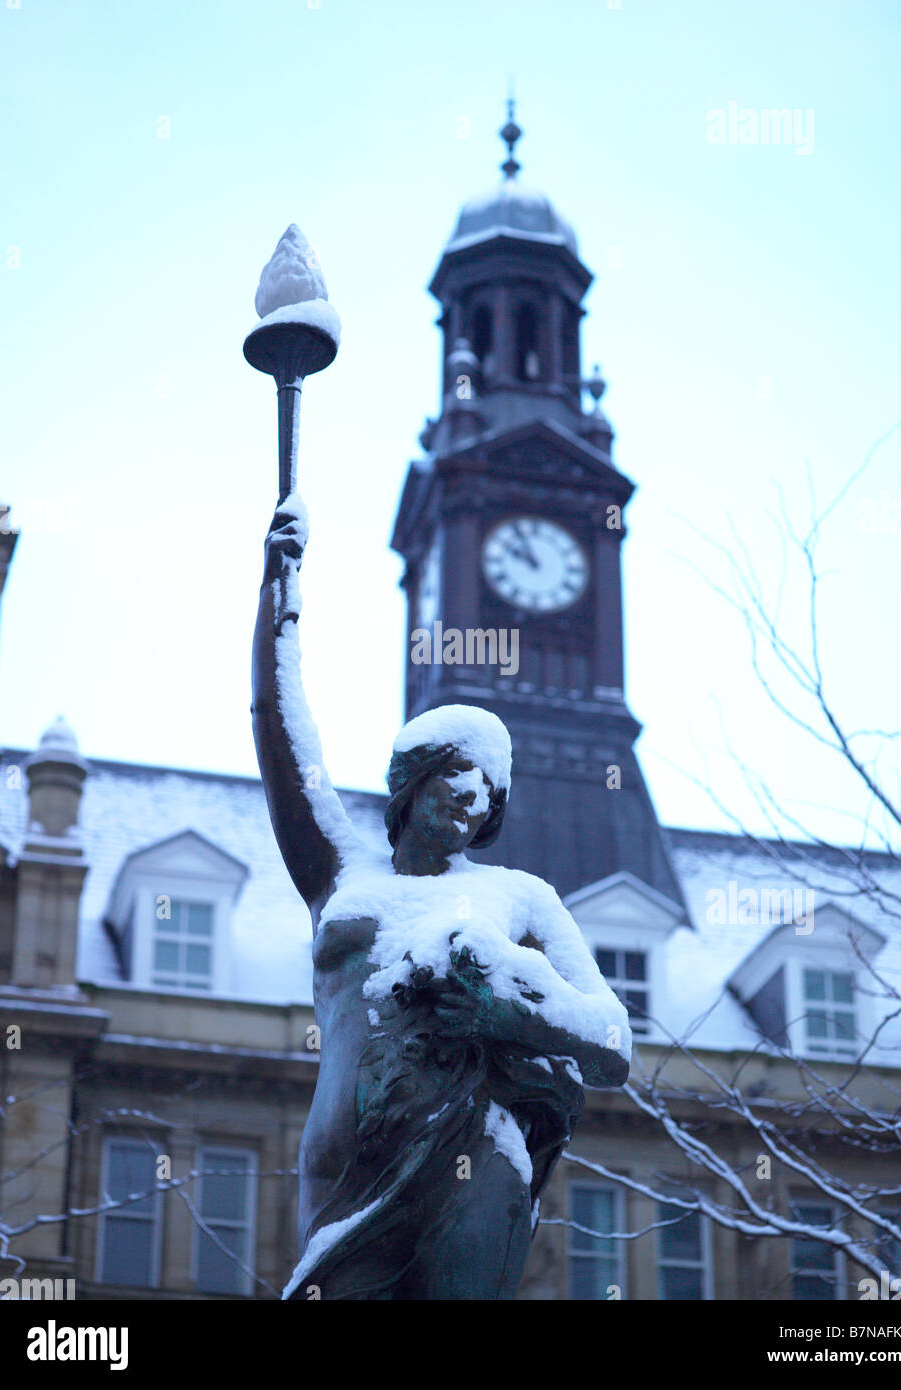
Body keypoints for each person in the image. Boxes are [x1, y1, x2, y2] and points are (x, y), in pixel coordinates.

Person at [252, 496, 632, 1300]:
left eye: (485, 799)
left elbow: (610, 1042)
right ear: (413, 784)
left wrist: (515, 1017)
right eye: (455, 785)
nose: (470, 804)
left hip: (473, 1152)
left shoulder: (520, 897)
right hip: (344, 1161)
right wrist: (278, 591)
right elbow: (281, 736)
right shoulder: (341, 876)